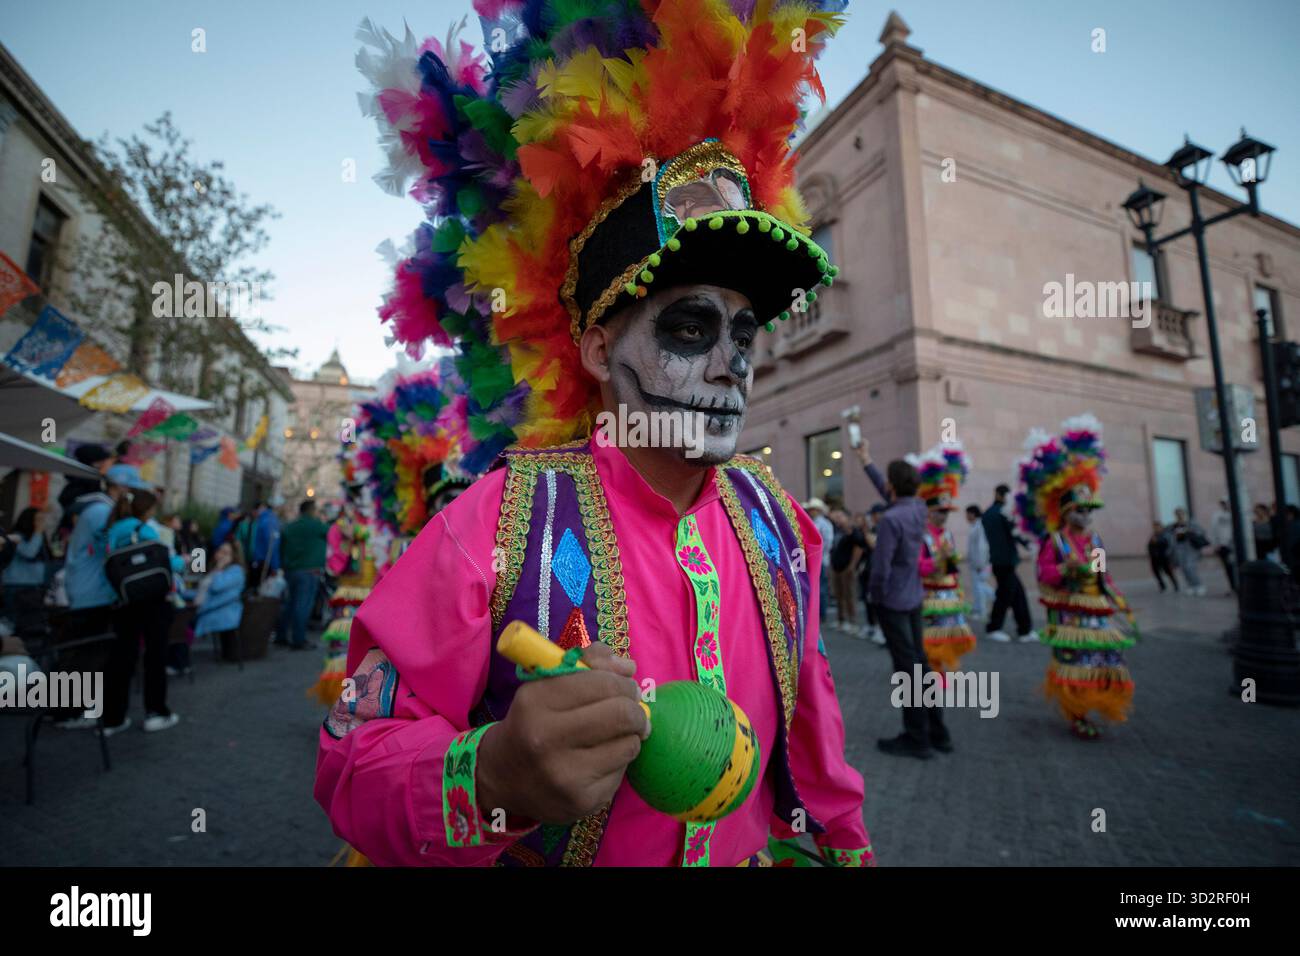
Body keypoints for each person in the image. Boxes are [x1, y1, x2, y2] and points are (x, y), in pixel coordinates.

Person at [316, 1, 872, 868]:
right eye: (691, 327)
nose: (731, 363)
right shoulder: (492, 527)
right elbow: (351, 758)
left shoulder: (782, 531)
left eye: (745, 332)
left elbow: (818, 768)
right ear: (598, 347)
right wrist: (490, 775)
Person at [1018, 415, 1136, 741]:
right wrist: (1066, 570)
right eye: (1079, 510)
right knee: (1076, 665)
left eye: (1090, 510)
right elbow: (1044, 573)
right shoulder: (1055, 542)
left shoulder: (1095, 541)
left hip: (1096, 611)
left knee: (1105, 661)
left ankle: (1098, 703)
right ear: (1065, 512)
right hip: (1070, 611)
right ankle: (1077, 712)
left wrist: (1118, 601)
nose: (1086, 516)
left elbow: (1101, 572)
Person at [856, 438, 952, 759]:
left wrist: (875, 597)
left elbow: (880, 569)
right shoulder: (918, 509)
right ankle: (938, 732)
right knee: (920, 666)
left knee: (907, 670)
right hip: (913, 597)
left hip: (893, 602)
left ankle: (916, 737)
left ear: (894, 487)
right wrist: (866, 461)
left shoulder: (891, 520)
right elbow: (891, 494)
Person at [102, 464, 181, 735]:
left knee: (121, 658)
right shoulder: (145, 530)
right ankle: (155, 712)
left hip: (123, 601)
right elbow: (167, 562)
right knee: (155, 656)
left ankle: (113, 717)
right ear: (147, 510)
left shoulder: (112, 530)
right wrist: (190, 561)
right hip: (153, 601)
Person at [914, 445, 976, 673]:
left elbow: (951, 567)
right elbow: (917, 567)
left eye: (947, 511)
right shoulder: (921, 535)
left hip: (949, 595)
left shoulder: (947, 534)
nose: (944, 515)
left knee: (949, 638)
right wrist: (937, 562)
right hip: (929, 597)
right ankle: (933, 672)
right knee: (931, 641)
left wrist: (956, 581)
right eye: (940, 511)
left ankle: (942, 670)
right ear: (929, 511)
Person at [981, 483, 1038, 643]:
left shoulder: (988, 513)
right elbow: (1016, 532)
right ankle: (994, 628)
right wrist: (1029, 545)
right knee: (1005, 596)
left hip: (998, 560)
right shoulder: (1003, 512)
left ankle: (1024, 630)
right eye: (1005, 495)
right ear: (999, 495)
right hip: (1005, 561)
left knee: (1016, 595)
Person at [182, 539, 246, 668]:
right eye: (220, 551)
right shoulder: (217, 570)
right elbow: (202, 591)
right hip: (203, 607)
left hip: (218, 611)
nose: (220, 554)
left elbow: (216, 587)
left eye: (225, 553)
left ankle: (179, 661)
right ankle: (178, 660)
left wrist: (219, 568)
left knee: (178, 625)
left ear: (233, 556)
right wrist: (181, 592)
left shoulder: (235, 571)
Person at [278, 499, 329, 650]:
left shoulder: (290, 526)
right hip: (309, 571)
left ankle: (281, 635)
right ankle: (298, 639)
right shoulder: (316, 525)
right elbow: (331, 532)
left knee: (289, 604)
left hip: (291, 570)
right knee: (303, 606)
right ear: (312, 510)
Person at [3, 507, 51, 622]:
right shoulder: (17, 536)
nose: (41, 523)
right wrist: (38, 531)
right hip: (17, 586)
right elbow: (29, 553)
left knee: (28, 624)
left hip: (34, 586)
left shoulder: (37, 538)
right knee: (13, 622)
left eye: (42, 520)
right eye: (38, 519)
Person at [829, 507, 865, 635]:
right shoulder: (838, 531)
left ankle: (853, 622)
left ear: (847, 517)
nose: (837, 519)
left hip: (846, 569)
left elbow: (859, 547)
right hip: (836, 568)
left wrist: (852, 566)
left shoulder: (854, 532)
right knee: (839, 596)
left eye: (840, 516)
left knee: (849, 595)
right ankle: (841, 620)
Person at [804, 497, 834, 624]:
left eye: (813, 509)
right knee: (818, 587)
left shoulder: (823, 524)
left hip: (820, 559)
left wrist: (818, 554)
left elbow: (827, 542)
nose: (811, 511)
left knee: (820, 587)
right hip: (815, 559)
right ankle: (819, 614)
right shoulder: (817, 522)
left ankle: (822, 614)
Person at [965, 504, 995, 621]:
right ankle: (978, 609)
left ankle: (983, 610)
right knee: (977, 587)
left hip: (980, 563)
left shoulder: (979, 526)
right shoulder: (975, 526)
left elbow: (982, 547)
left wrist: (980, 564)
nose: (966, 516)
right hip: (976, 563)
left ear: (973, 514)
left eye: (967, 513)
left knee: (980, 587)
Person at [1169, 507, 1207, 597]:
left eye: (1181, 513)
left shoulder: (1191, 524)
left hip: (1190, 548)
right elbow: (1171, 538)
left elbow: (1201, 532)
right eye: (1177, 514)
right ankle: (1190, 585)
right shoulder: (1174, 526)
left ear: (1184, 514)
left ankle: (1198, 585)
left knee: (1190, 567)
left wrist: (1190, 531)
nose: (1179, 516)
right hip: (1179, 548)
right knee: (1184, 568)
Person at [1210, 499, 1235, 593]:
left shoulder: (1235, 513)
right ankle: (1233, 586)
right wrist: (1215, 544)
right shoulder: (1217, 515)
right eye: (1223, 504)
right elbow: (1213, 530)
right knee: (1228, 567)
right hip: (1222, 545)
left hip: (1233, 545)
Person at [1147, 521, 1179, 592]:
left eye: (1157, 527)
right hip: (1155, 558)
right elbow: (1149, 546)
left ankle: (1175, 585)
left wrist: (1158, 542)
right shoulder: (1153, 536)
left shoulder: (1165, 535)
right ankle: (1162, 586)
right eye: (1154, 527)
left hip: (1164, 557)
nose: (1156, 529)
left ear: (1161, 527)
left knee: (1168, 572)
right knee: (1156, 572)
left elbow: (1169, 545)